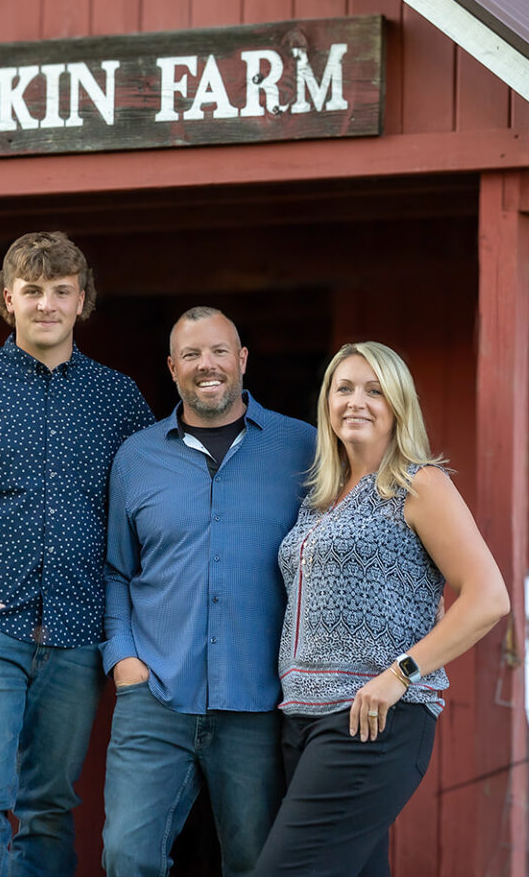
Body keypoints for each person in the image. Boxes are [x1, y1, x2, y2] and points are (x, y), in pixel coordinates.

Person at [0, 231, 156, 877]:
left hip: (77, 632)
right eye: (32, 291)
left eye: (60, 291)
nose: (46, 304)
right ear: (7, 298)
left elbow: (151, 508)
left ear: (82, 300)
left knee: (49, 805)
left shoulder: (118, 398)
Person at [254, 341, 511, 877]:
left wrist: (400, 674)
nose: (356, 401)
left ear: (398, 406)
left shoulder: (419, 484)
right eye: (343, 389)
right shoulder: (318, 500)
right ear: (327, 403)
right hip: (302, 720)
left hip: (373, 721)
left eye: (374, 391)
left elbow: (488, 597)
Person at [101, 307, 315, 877]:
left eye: (219, 351)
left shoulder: (303, 448)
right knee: (126, 855)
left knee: (256, 862)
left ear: (242, 360)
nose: (207, 365)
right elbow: (117, 570)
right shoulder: (136, 457)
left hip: (259, 701)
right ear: (173, 368)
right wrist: (122, 659)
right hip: (155, 693)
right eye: (191, 355)